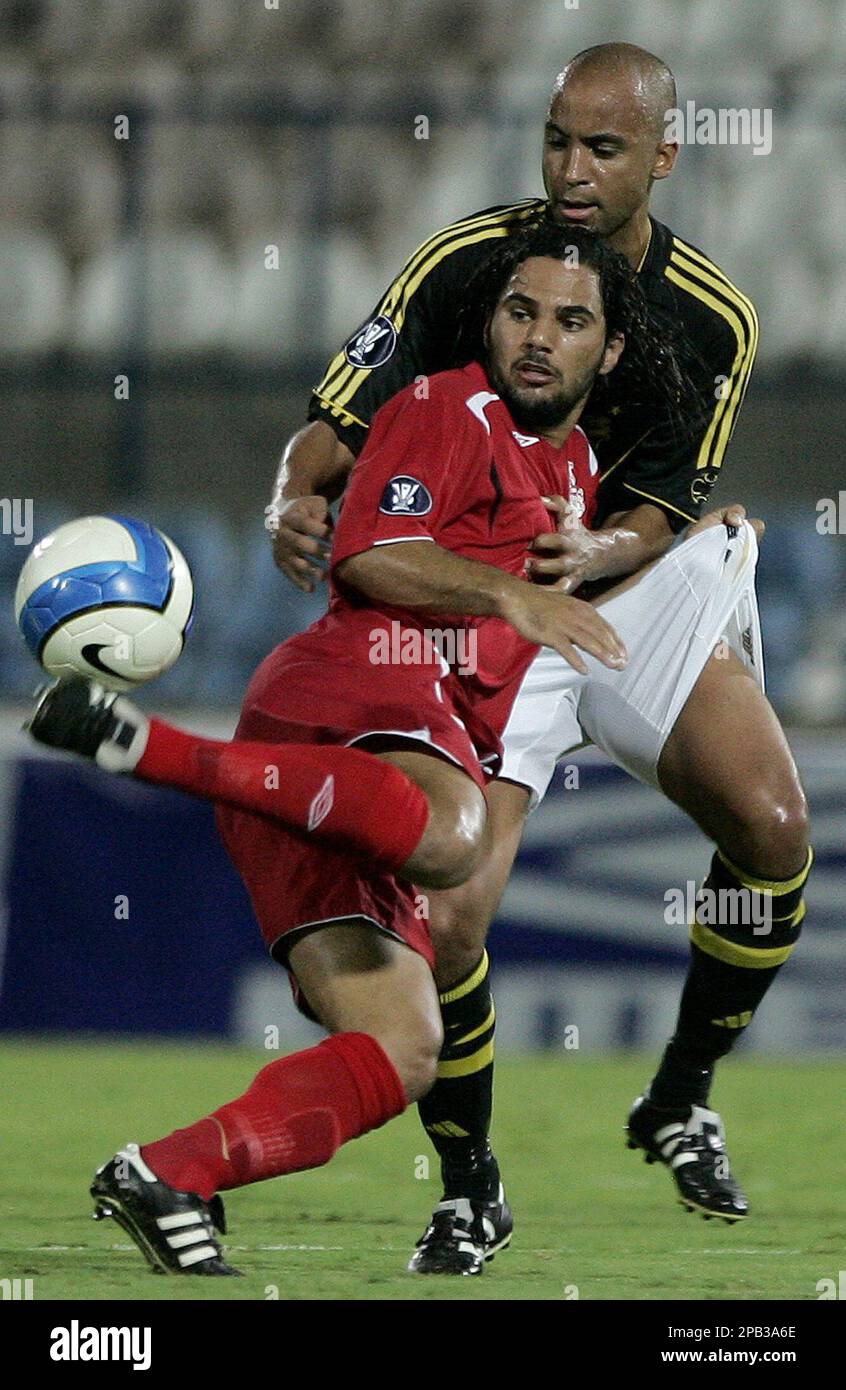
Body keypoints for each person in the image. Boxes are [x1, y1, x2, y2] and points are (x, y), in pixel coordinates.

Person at [266, 43, 810, 1277]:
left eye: (603, 148)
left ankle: (679, 1095)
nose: (571, 169)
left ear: (663, 156)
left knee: (774, 824)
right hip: (490, 600)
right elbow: (334, 423)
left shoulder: (713, 319)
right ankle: (471, 1188)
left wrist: (600, 543)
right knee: (450, 921)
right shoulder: (471, 265)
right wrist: (290, 499)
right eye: (557, 139)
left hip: (623, 581)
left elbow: (671, 501)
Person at [26, 226, 643, 1276]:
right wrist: (511, 593)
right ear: (489, 322)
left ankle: (168, 1173)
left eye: (570, 321)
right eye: (521, 313)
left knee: (404, 1048)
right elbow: (372, 548)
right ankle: (158, 748)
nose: (538, 339)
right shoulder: (449, 405)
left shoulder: (574, 466)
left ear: (612, 351)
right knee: (457, 840)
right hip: (357, 691)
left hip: (330, 782)